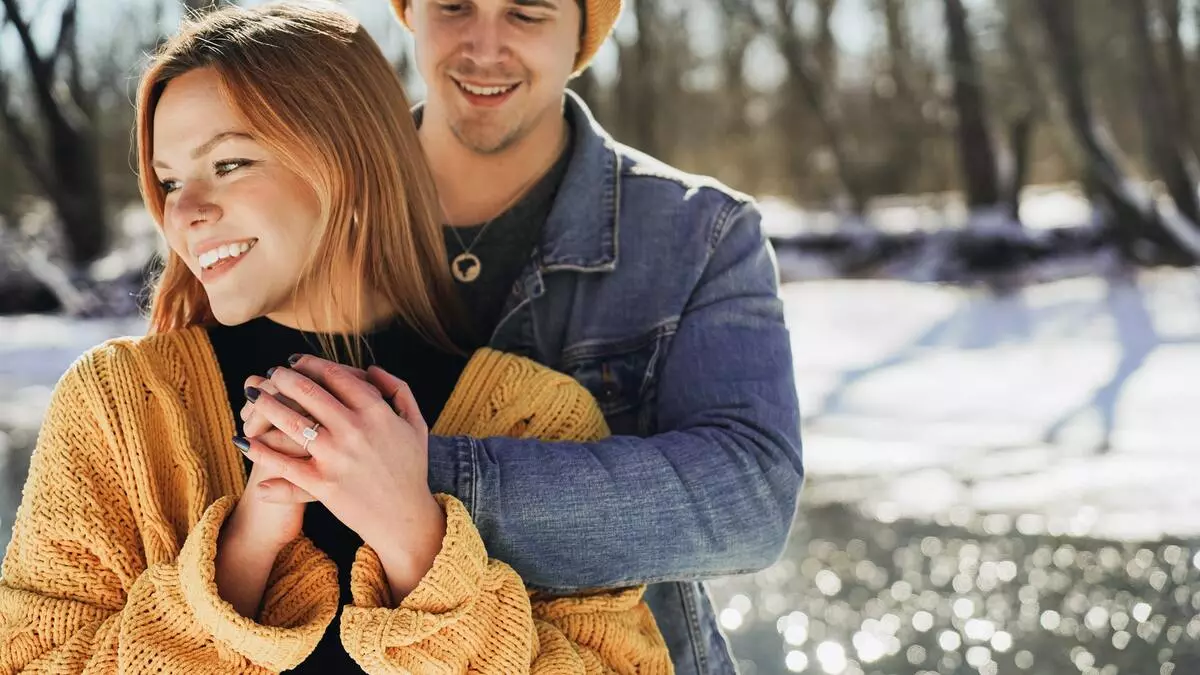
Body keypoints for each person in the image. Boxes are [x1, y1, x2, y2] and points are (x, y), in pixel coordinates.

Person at [0, 3, 671, 672]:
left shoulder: (537, 418)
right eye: (170, 179)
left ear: (349, 163)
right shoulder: (118, 408)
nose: (184, 211)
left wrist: (417, 544)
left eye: (229, 163)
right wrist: (242, 554)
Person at [244, 1, 805, 672]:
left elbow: (750, 496)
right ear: (412, 14)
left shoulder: (700, 234)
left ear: (581, 35)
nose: (485, 45)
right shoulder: (304, 212)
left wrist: (412, 477)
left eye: (526, 13)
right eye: (454, 6)